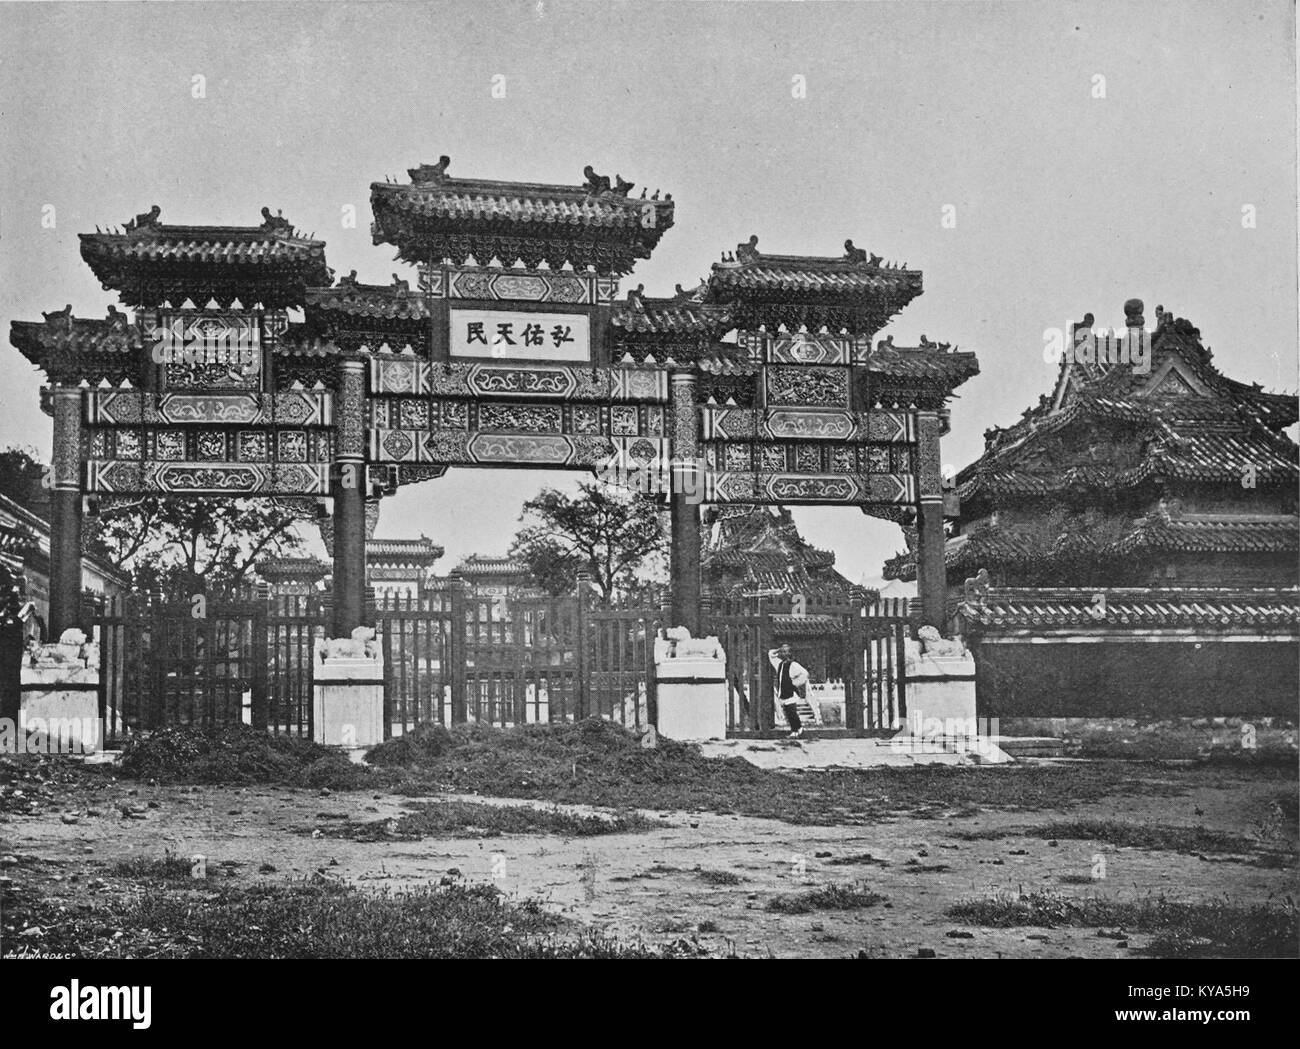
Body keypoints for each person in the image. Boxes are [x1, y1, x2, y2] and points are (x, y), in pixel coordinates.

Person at [768, 644, 809, 738]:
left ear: (790, 653)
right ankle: (798, 729)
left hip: (791, 692)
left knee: (791, 712)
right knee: (788, 712)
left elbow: (805, 673)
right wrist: (778, 649)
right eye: (782, 651)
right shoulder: (779, 663)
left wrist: (795, 682)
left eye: (786, 651)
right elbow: (770, 654)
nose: (784, 653)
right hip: (783, 692)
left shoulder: (793, 664)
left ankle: (796, 730)